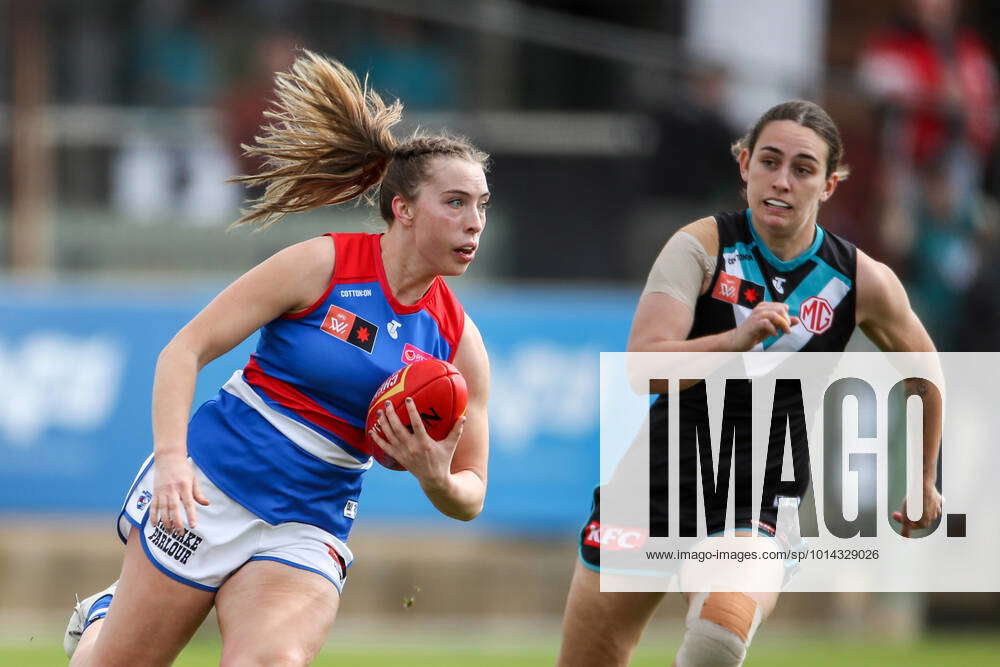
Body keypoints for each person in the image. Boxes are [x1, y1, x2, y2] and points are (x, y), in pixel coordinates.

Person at [64, 50, 492, 666]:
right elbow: (184, 350)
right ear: (402, 208)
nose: (474, 222)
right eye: (455, 202)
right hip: (209, 488)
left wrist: (436, 478)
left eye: (482, 205)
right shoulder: (323, 265)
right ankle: (104, 620)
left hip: (309, 522)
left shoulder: (458, 340)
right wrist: (171, 462)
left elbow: (472, 494)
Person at [556, 100, 943, 667]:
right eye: (769, 161)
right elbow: (643, 367)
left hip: (758, 496)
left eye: (803, 169)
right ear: (744, 165)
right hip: (654, 483)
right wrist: (734, 341)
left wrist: (924, 477)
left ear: (829, 185)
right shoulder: (700, 247)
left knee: (718, 641)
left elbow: (925, 369)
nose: (782, 181)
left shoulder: (860, 279)